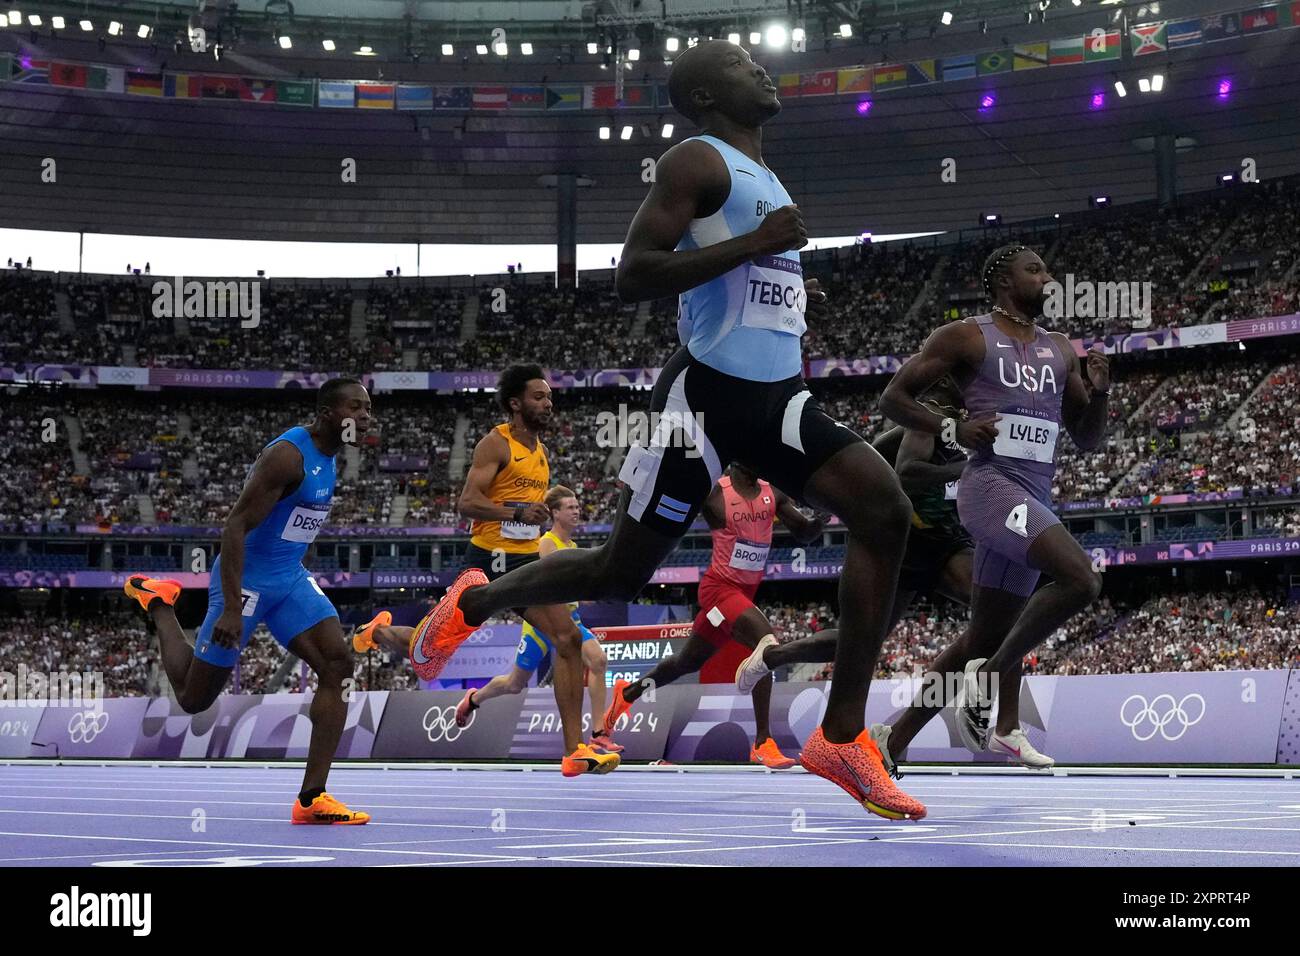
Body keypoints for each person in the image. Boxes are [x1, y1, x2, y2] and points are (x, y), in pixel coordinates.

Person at [407, 39, 926, 820]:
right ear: (708, 98)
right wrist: (756, 242)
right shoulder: (697, 160)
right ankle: (476, 602)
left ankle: (842, 736)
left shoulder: (764, 172)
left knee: (884, 512)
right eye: (741, 63)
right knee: (620, 569)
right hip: (701, 403)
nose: (760, 68)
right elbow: (632, 273)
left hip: (775, 398)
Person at [880, 244, 1109, 753]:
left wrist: (1101, 394)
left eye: (1049, 269)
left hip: (1033, 491)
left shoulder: (1060, 348)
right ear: (1004, 281)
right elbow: (892, 398)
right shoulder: (965, 336)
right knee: (1080, 579)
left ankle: (888, 744)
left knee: (979, 638)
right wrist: (952, 425)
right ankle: (990, 677)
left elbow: (1088, 437)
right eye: (1036, 270)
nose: (1049, 278)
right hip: (988, 488)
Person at [124, 377, 373, 824]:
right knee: (193, 698)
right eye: (357, 408)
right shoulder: (287, 457)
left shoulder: (331, 455)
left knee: (338, 665)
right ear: (328, 414)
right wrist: (235, 607)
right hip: (246, 583)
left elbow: (292, 524)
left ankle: (312, 799)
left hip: (289, 580)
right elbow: (234, 527)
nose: (366, 417)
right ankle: (160, 604)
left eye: (368, 409)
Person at [363, 366, 617, 777]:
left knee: (567, 638)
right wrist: (516, 511)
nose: (547, 402)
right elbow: (466, 503)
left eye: (549, 396)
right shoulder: (494, 444)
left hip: (524, 561)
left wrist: (531, 522)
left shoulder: (542, 453)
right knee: (429, 648)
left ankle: (575, 752)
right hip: (485, 563)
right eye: (538, 396)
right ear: (515, 403)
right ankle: (374, 632)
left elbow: (529, 516)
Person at [603, 464, 824, 768]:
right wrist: (637, 490)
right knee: (766, 643)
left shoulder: (773, 492)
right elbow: (668, 505)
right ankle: (763, 743)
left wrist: (820, 519)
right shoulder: (715, 493)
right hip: (718, 590)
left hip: (743, 595)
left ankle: (626, 694)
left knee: (687, 662)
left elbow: (805, 533)